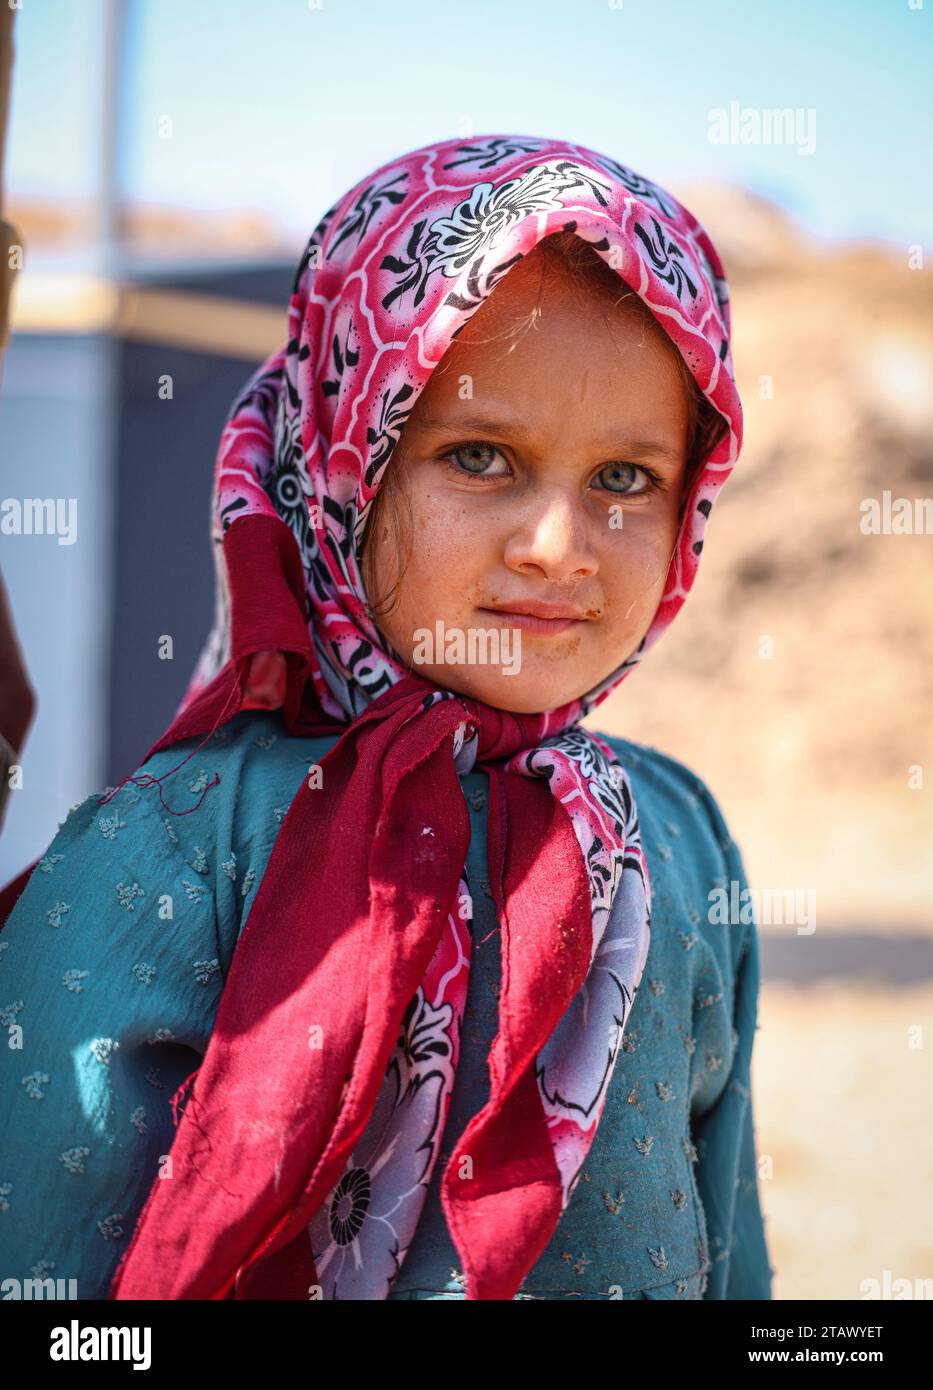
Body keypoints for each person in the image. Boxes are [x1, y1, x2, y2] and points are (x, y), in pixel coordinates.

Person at [0, 133, 773, 1301]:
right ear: (341, 464)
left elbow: (731, 1247)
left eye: (625, 479)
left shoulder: (675, 832)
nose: (557, 546)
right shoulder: (174, 849)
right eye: (479, 455)